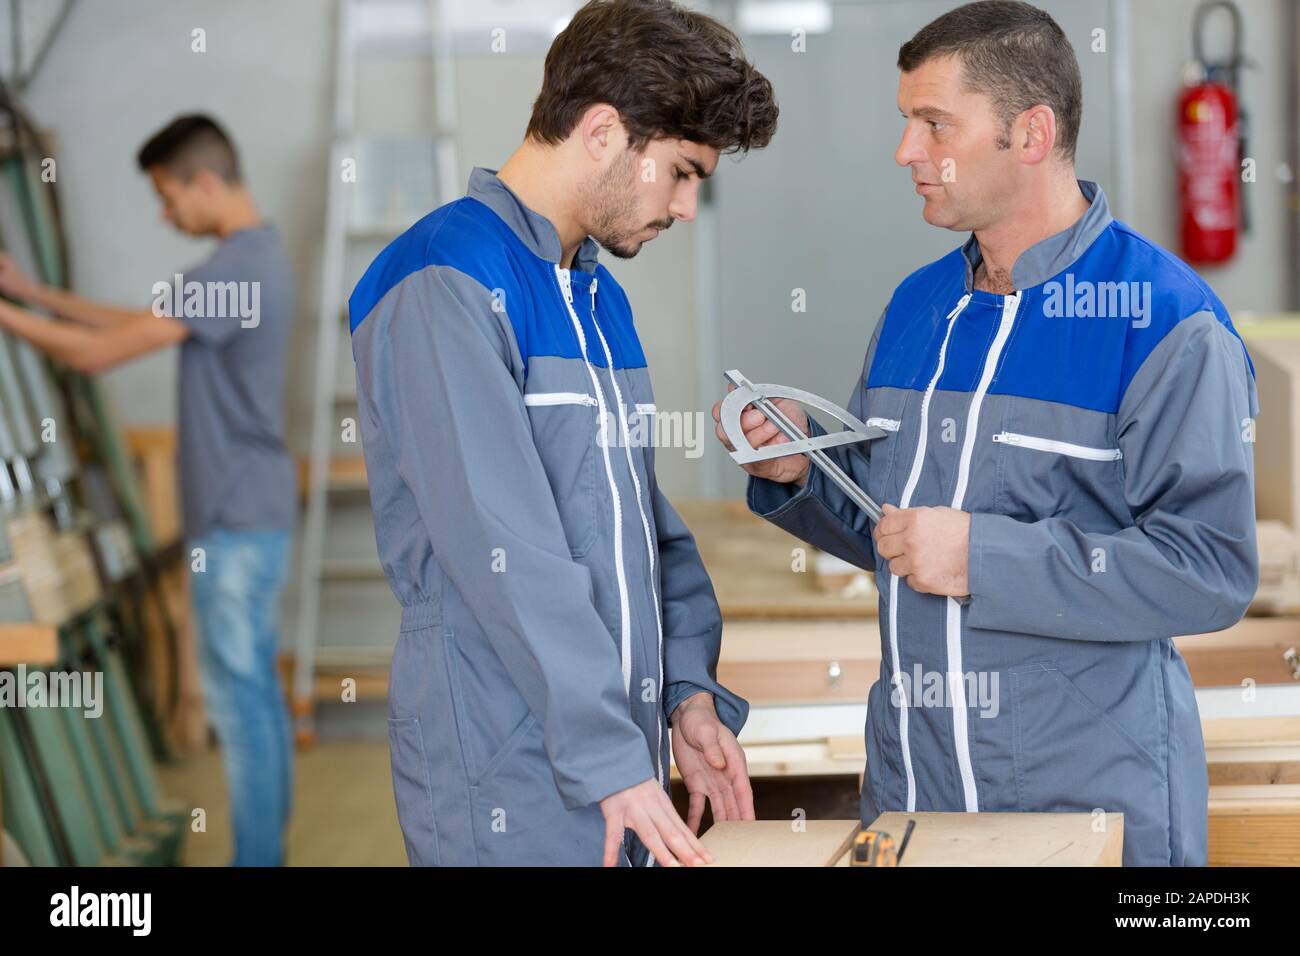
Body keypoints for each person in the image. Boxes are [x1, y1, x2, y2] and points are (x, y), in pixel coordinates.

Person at [715, 0, 1257, 866]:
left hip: (1088, 813)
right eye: (907, 124)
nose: (907, 153)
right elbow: (897, 534)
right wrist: (800, 472)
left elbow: (1211, 573)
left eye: (934, 124)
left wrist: (984, 559)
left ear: (1031, 133)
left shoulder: (1163, 322)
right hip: (913, 802)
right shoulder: (918, 308)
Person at [349, 0, 778, 866]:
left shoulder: (595, 295)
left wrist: (687, 697)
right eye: (682, 172)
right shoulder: (444, 282)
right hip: (506, 768)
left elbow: (639, 524)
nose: (688, 208)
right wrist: (608, 753)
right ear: (602, 131)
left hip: (614, 761)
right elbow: (507, 554)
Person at [0, 114, 298, 866]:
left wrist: (4, 312)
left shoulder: (236, 267)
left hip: (234, 521)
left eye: (168, 197)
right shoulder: (255, 259)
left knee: (239, 707)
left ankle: (256, 861)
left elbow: (101, 356)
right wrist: (30, 293)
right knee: (255, 699)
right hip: (252, 515)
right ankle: (268, 854)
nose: (165, 214)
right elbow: (133, 323)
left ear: (204, 181)